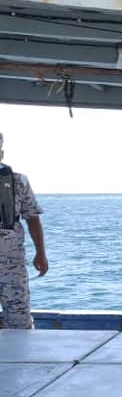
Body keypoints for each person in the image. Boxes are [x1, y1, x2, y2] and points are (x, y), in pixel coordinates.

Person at [0, 132, 48, 329]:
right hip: (11, 261)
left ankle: (20, 358)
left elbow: (32, 218)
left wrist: (41, 254)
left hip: (11, 263)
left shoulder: (18, 181)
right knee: (18, 322)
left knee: (19, 321)